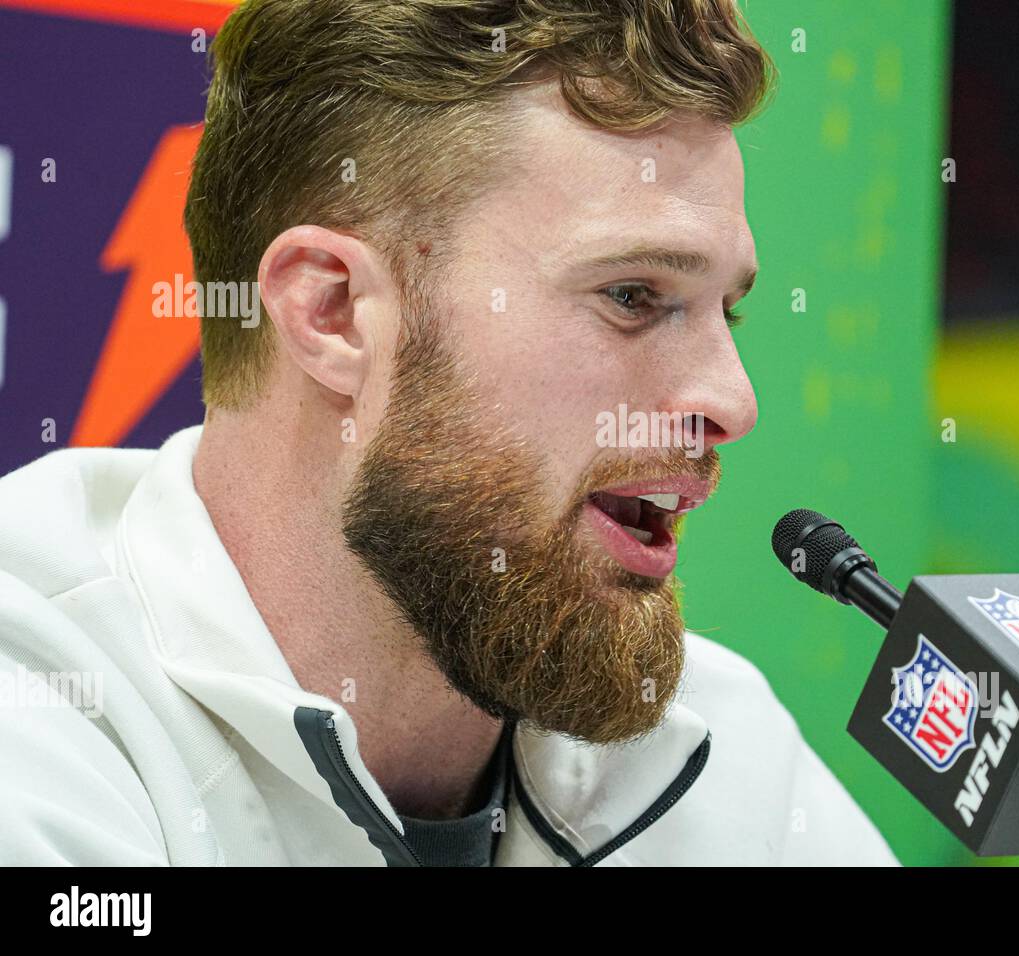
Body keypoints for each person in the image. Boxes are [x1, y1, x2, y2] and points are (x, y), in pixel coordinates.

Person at [0, 0, 898, 866]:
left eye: (726, 312)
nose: (734, 403)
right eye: (633, 296)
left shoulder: (729, 753)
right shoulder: (38, 713)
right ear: (335, 311)